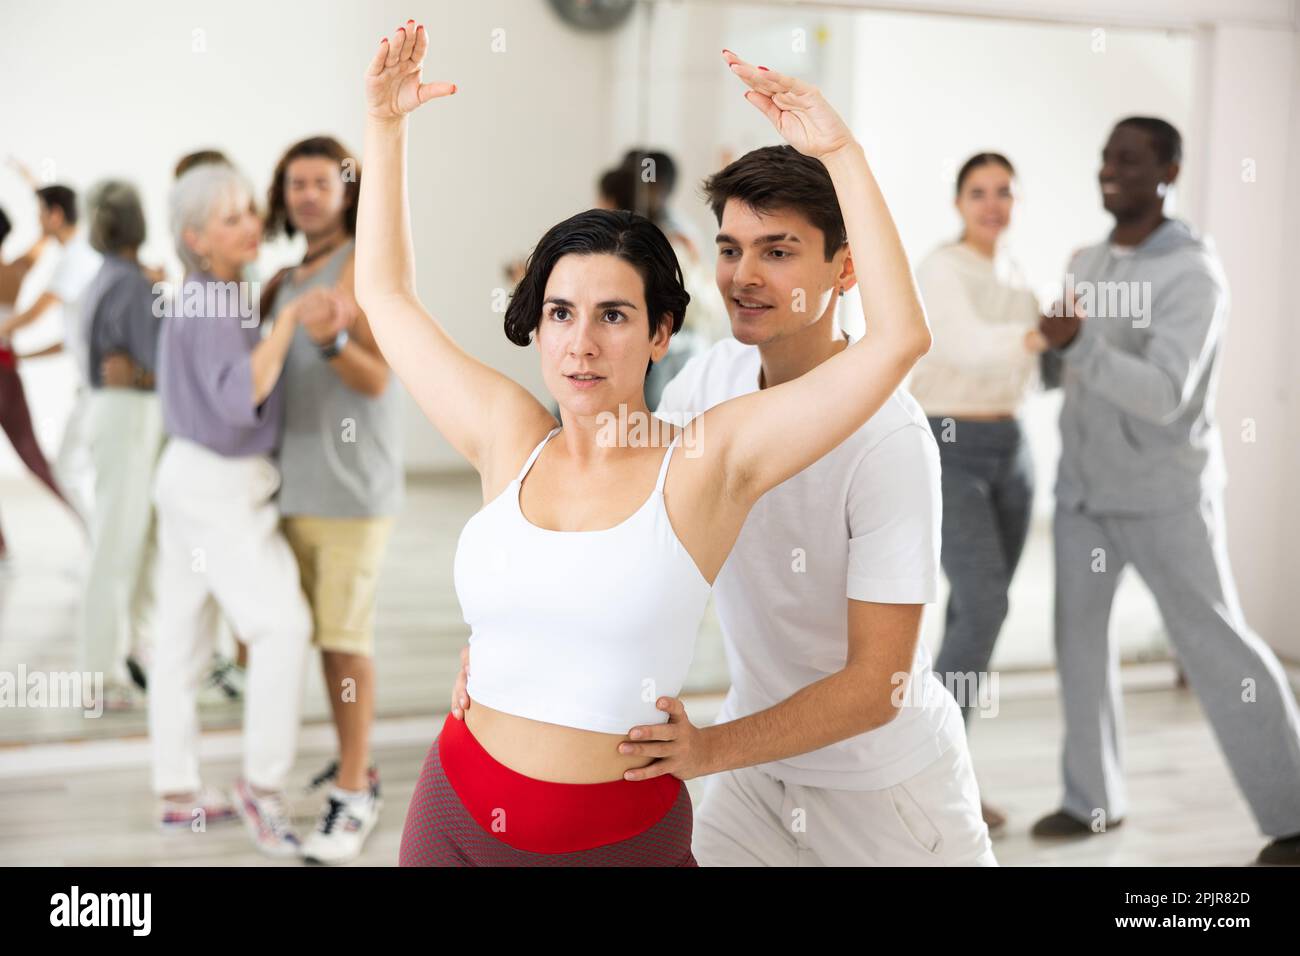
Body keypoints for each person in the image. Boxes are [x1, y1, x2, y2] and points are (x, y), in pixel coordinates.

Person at [358, 22, 931, 866]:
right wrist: (384, 128)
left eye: (614, 315)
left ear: (663, 333)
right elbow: (386, 295)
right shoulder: (507, 433)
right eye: (561, 314)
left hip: (618, 843)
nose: (580, 344)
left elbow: (897, 341)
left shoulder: (704, 460)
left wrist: (840, 152)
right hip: (453, 816)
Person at [1032, 117, 1300, 866]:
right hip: (1084, 493)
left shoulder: (1193, 275)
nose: (1111, 170)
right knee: (1078, 647)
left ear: (1168, 169)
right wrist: (1045, 353)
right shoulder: (1087, 260)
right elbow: (1069, 365)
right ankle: (1094, 802)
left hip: (1165, 496)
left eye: (1130, 158)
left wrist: (1076, 343)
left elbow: (1165, 393)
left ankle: (1294, 813)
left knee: (1217, 646)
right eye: (1105, 157)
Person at [147, 162, 316, 856]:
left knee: (180, 641)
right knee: (283, 626)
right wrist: (290, 322)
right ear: (195, 238)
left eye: (251, 210)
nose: (252, 224)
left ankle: (178, 791)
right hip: (218, 485)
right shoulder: (216, 302)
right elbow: (238, 393)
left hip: (189, 475)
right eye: (231, 217)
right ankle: (262, 785)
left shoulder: (210, 294)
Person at [262, 135, 402, 864]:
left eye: (321, 182)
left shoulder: (365, 269)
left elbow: (379, 379)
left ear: (348, 191)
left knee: (346, 648)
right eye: (295, 183)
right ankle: (353, 763)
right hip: (293, 488)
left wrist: (329, 340)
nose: (307, 194)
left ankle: (355, 790)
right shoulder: (286, 275)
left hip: (352, 493)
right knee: (318, 643)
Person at [910, 152, 1047, 832]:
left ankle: (942, 774)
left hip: (1013, 451)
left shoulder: (1019, 274)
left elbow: (1038, 367)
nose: (992, 203)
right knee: (987, 604)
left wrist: (1062, 338)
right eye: (979, 192)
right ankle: (929, 771)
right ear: (959, 201)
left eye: (1004, 193)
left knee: (975, 610)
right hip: (951, 447)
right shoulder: (942, 268)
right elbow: (963, 347)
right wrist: (1041, 334)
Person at [75, 180, 165, 710]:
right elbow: (159, 369)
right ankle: (98, 677)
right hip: (128, 416)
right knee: (116, 544)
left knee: (127, 542)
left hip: (116, 415)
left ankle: (123, 656)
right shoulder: (131, 284)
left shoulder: (113, 278)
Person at [0, 182, 103, 523]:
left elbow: (32, 315)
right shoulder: (23, 268)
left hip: (95, 386)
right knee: (52, 462)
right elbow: (70, 339)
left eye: (41, 212)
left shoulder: (72, 261)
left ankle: (97, 542)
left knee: (65, 468)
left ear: (55, 215)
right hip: (16, 370)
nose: (37, 220)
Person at [0, 207, 79, 562]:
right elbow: (44, 241)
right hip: (8, 373)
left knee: (34, 456)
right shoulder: (16, 270)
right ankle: (84, 518)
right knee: (34, 456)